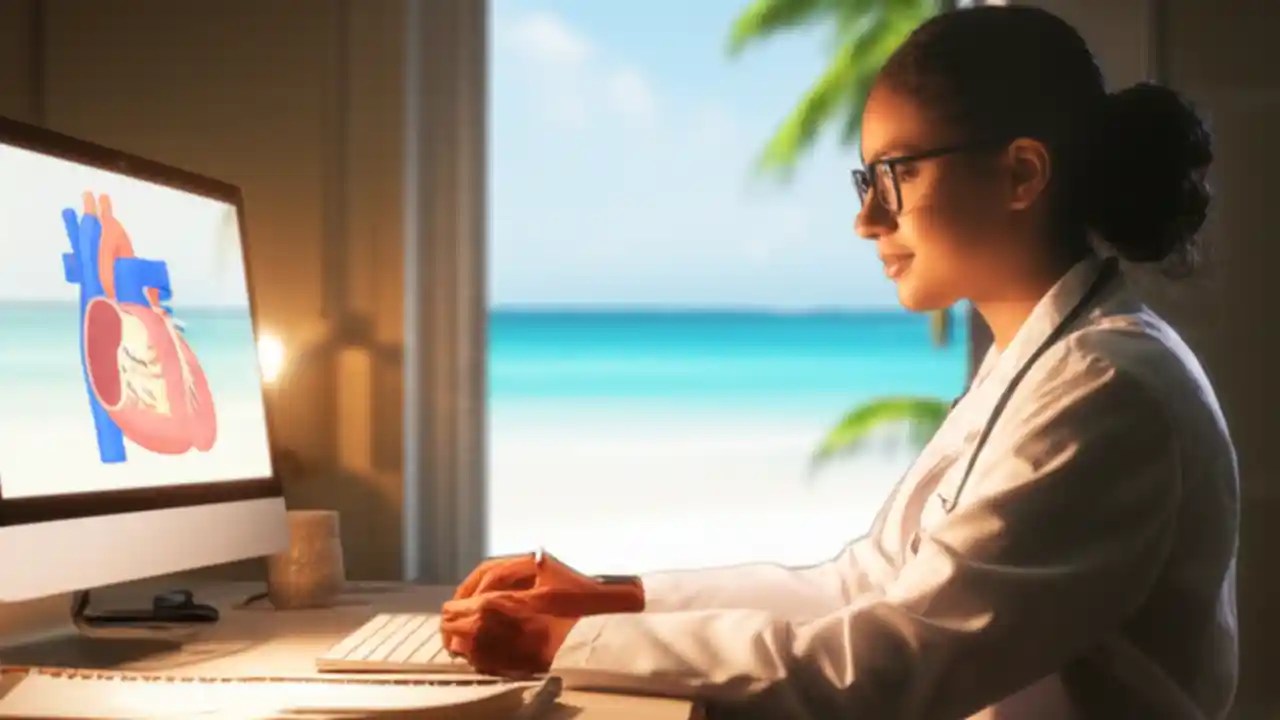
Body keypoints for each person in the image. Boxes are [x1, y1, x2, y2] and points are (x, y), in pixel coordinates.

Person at [440, 5, 1238, 719]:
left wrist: (566, 643)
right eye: (867, 178)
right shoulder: (1042, 362)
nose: (866, 218)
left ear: (1021, 174)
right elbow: (865, 585)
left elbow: (896, 665)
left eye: (897, 173)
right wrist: (611, 599)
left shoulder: (1105, 388)